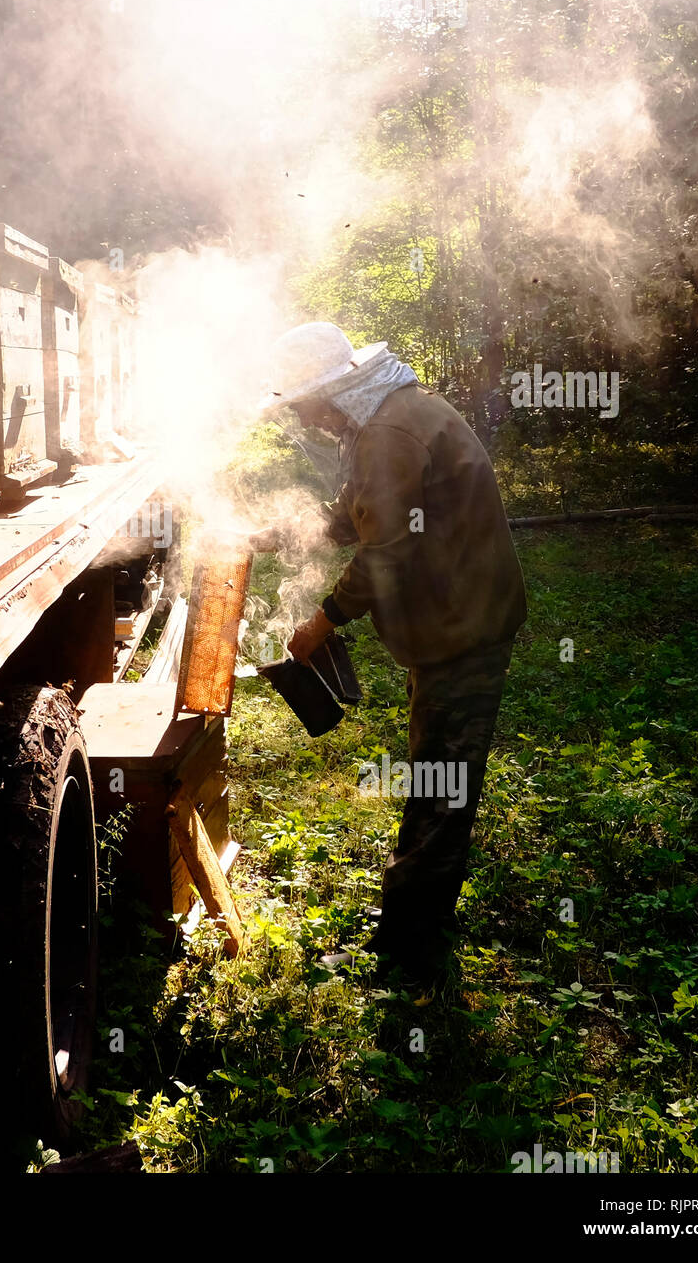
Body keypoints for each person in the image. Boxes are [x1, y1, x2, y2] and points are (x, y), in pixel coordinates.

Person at [255, 323, 527, 997]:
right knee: (436, 774)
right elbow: (367, 515)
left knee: (441, 789)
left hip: (463, 627)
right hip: (454, 622)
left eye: (302, 403)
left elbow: (386, 555)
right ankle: (411, 930)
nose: (302, 417)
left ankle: (409, 962)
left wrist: (320, 623)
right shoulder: (393, 415)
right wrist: (280, 530)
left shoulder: (388, 433)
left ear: (333, 393)